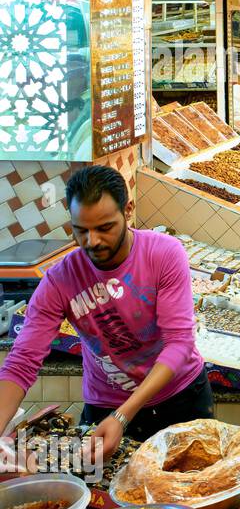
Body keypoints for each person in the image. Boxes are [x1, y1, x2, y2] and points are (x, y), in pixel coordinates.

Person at [0, 166, 208, 462]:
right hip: (105, 406)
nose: (92, 241)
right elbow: (22, 361)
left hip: (180, 398)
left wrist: (123, 416)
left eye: (105, 228)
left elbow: (180, 344)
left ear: (128, 210)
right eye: (81, 230)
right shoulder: (60, 279)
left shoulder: (163, 253)